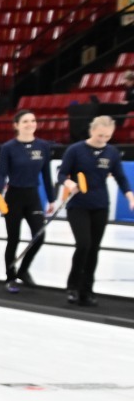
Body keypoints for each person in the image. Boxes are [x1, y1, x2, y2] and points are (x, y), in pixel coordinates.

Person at [58, 112, 131, 308]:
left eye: (107, 136)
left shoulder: (112, 153)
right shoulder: (76, 150)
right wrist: (69, 184)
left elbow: (120, 177)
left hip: (100, 206)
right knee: (83, 244)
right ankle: (73, 286)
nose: (103, 140)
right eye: (100, 135)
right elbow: (62, 173)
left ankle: (87, 289)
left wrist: (130, 196)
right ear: (92, 131)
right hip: (78, 205)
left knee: (94, 249)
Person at [0, 110, 58, 292]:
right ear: (16, 125)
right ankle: (10, 276)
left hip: (33, 197)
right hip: (13, 197)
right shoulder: (8, 147)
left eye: (33, 121)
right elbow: (2, 173)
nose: (30, 124)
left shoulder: (43, 146)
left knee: (39, 236)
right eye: (25, 121)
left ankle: (23, 270)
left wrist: (51, 198)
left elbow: (46, 174)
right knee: (13, 239)